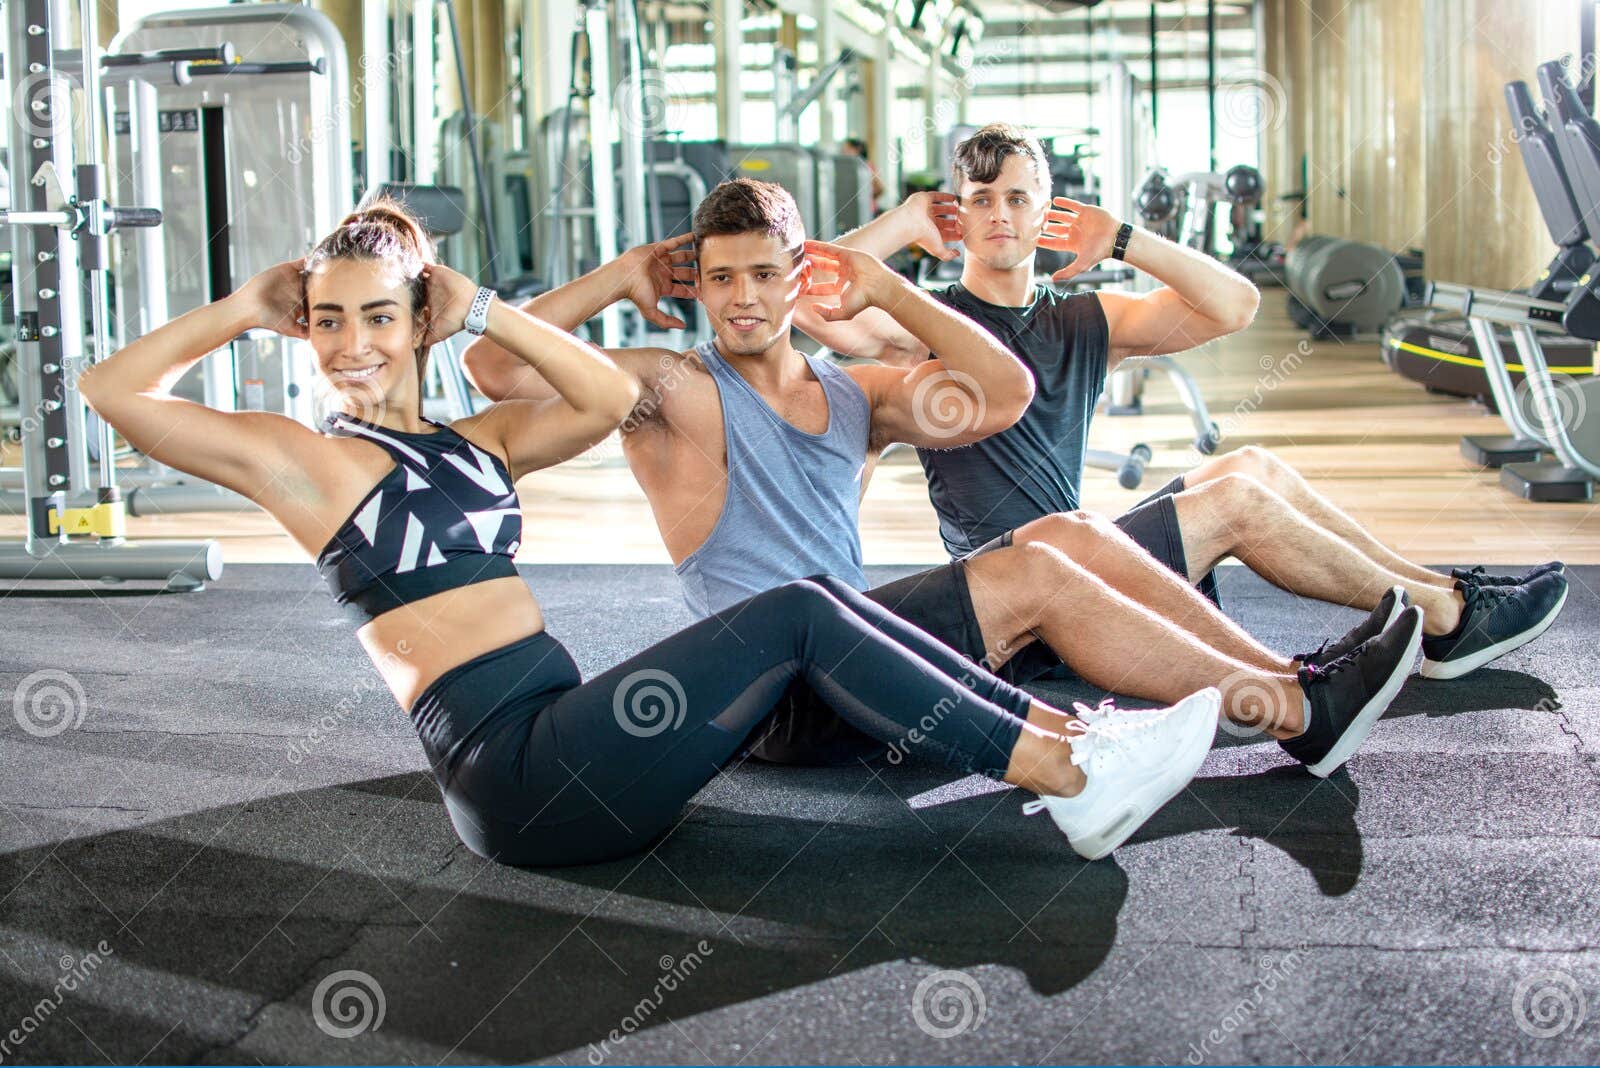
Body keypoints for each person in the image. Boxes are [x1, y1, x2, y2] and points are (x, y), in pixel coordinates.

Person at [75, 196, 1225, 865]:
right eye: (328, 324)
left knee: (812, 607)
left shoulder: (474, 444)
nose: (351, 346)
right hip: (512, 774)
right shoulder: (305, 459)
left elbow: (586, 396)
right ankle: (1072, 767)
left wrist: (481, 306)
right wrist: (245, 306)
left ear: (417, 323)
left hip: (571, 731)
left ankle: (1068, 737)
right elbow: (114, 393)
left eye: (379, 317)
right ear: (305, 332)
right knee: (796, 611)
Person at [463, 178, 1426, 780]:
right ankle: (1301, 711)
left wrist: (889, 289)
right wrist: (623, 271)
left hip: (863, 664)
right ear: (700, 286)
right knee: (1043, 570)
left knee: (1068, 536)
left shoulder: (856, 392)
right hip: (774, 700)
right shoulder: (662, 385)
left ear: (803, 280)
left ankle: (1284, 685)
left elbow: (1004, 391)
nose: (744, 299)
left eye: (765, 275)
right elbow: (496, 372)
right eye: (722, 279)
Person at [790, 123, 1569, 683]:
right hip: (1019, 601)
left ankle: (1448, 597)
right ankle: (1445, 619)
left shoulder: (1085, 316)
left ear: (1047, 212)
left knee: (1251, 466)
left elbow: (1234, 307)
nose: (999, 214)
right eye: (981, 199)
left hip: (1089, 560)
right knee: (1232, 501)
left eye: (1018, 198)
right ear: (959, 216)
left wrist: (1125, 238)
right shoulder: (923, 325)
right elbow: (811, 305)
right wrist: (903, 221)